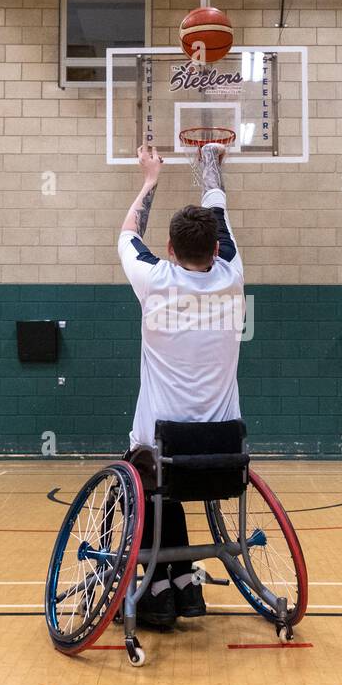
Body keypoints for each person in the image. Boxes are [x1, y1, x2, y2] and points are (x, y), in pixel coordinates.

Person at [118, 142, 244, 628]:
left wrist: (150, 178)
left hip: (160, 451)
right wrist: (210, 164)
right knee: (163, 477)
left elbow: (129, 232)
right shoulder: (233, 275)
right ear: (216, 250)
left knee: (141, 476)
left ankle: (156, 588)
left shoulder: (153, 278)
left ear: (169, 251)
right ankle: (184, 584)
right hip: (224, 452)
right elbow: (219, 210)